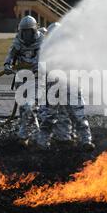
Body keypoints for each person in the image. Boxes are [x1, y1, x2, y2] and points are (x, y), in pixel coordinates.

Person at [37, 22, 95, 151]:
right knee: (48, 117)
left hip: (70, 86)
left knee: (77, 116)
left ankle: (85, 141)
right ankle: (44, 143)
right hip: (53, 88)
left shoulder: (71, 51)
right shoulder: (46, 51)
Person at [4, 15, 44, 146]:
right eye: (24, 32)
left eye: (29, 32)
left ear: (34, 30)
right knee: (23, 109)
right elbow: (10, 55)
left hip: (36, 78)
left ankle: (34, 135)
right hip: (22, 78)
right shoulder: (17, 42)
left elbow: (44, 59)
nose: (26, 35)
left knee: (30, 107)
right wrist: (7, 66)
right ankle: (26, 137)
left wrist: (40, 67)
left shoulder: (42, 42)